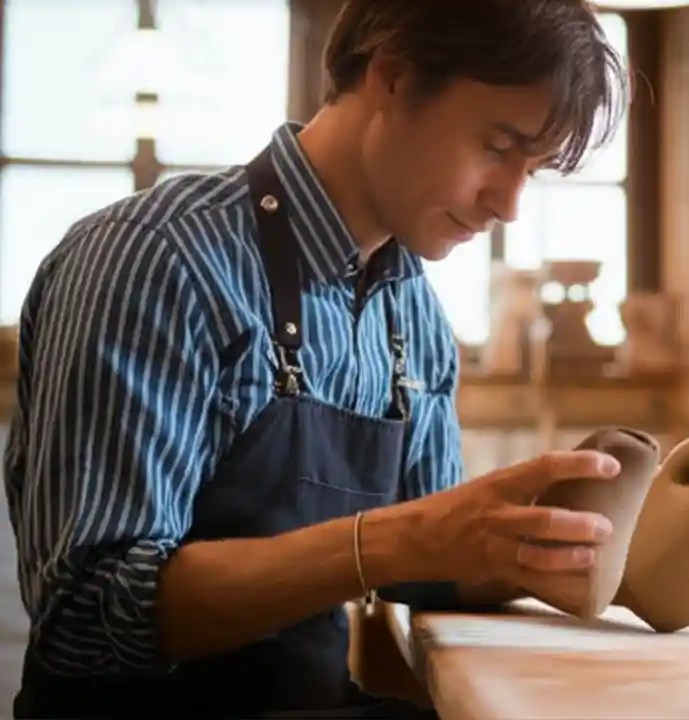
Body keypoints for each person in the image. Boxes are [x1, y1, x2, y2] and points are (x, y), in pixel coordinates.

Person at [2, 0, 629, 716]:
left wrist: (572, 546)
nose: (510, 206)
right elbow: (86, 620)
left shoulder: (411, 313)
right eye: (496, 145)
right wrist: (401, 538)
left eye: (536, 170)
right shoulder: (159, 260)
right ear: (392, 74)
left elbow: (425, 570)